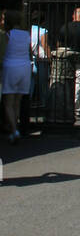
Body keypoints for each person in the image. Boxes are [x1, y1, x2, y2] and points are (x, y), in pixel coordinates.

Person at [1, 8, 33, 143]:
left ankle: (14, 130)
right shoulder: (26, 34)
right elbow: (30, 52)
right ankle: (16, 128)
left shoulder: (6, 35)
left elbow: (2, 53)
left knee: (8, 102)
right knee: (17, 102)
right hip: (25, 67)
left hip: (10, 67)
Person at [57, 7, 80, 118]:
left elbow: (59, 44)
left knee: (66, 82)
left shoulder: (65, 27)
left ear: (73, 15)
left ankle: (65, 107)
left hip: (67, 58)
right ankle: (76, 109)